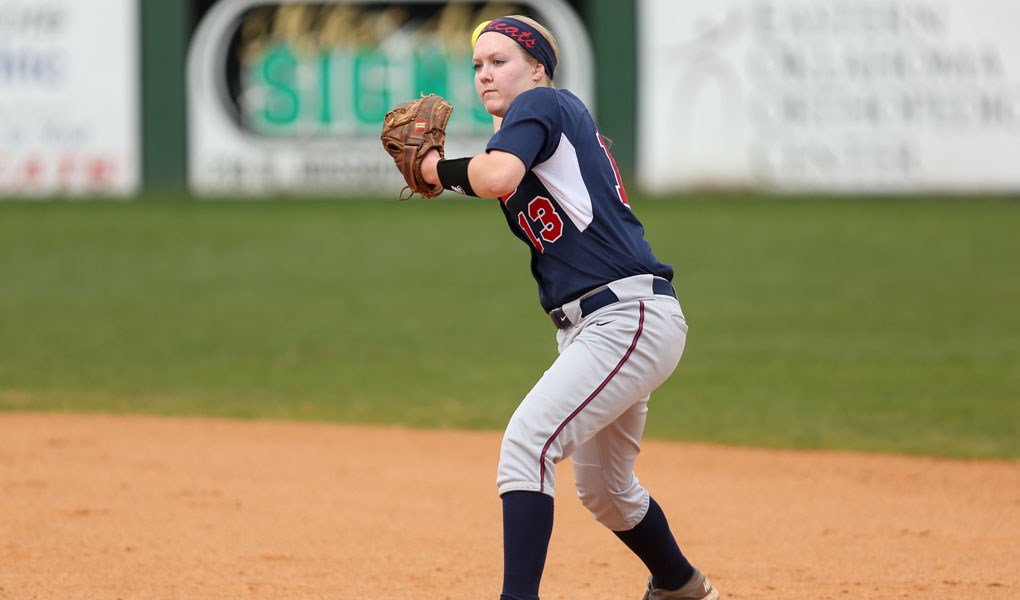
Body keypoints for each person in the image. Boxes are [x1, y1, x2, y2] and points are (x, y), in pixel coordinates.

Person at [418, 15, 720, 600]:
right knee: (606, 491)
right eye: (477, 65)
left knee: (527, 445)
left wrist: (435, 170)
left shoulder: (542, 104)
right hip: (605, 324)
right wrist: (450, 172)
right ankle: (679, 585)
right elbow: (496, 168)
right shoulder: (532, 126)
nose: (484, 75)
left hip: (625, 317)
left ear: (537, 68)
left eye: (499, 61)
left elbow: (496, 176)